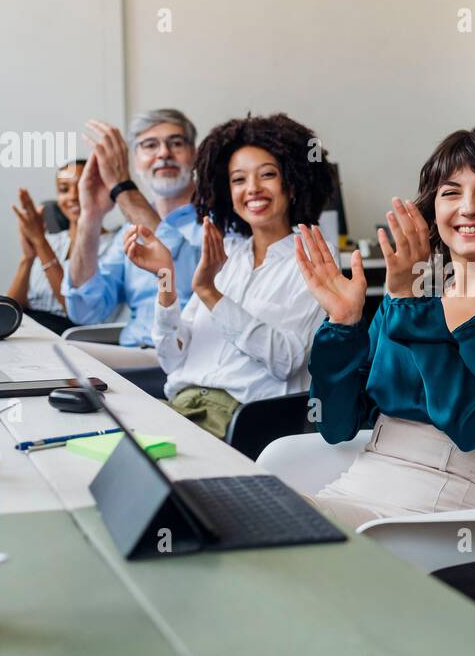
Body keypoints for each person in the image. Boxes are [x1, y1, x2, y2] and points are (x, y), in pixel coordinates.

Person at [296, 126, 475, 530]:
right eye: (450, 193)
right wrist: (344, 327)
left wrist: (414, 306)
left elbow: (472, 424)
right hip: (358, 485)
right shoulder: (405, 299)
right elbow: (335, 426)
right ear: (432, 211)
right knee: (252, 515)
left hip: (447, 504)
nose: (468, 208)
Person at [123, 114, 336, 439]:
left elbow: (286, 360)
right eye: (238, 180)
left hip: (240, 420)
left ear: (291, 183)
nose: (252, 189)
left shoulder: (314, 256)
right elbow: (170, 358)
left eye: (267, 175)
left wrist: (210, 292)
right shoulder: (228, 254)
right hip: (178, 406)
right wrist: (165, 278)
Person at [63, 109, 203, 369]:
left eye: (175, 143)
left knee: (64, 359)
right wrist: (90, 217)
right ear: (136, 160)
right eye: (150, 145)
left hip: (186, 358)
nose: (163, 153)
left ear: (194, 154)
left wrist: (122, 187)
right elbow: (86, 310)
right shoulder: (130, 227)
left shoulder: (218, 220)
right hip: (133, 352)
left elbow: (176, 271)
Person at [5, 160, 114, 335]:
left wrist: (40, 243)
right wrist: (28, 257)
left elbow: (76, 309)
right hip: (29, 329)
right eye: (64, 189)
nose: (72, 196)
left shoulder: (114, 246)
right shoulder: (52, 241)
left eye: (81, 188)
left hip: (70, 336)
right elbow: (10, 308)